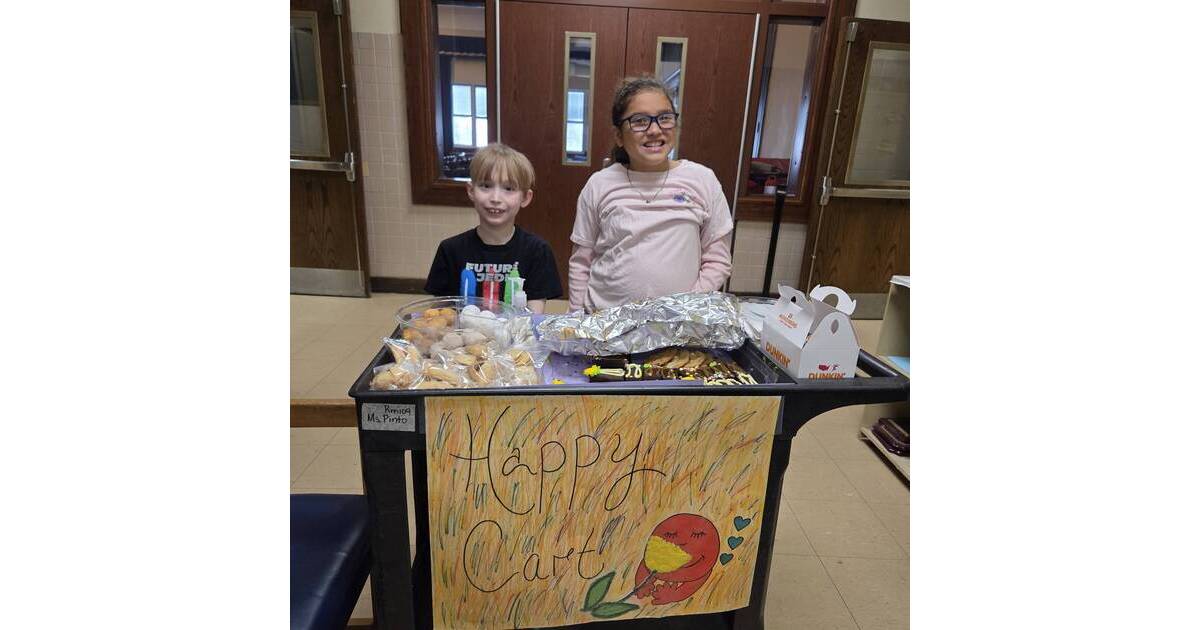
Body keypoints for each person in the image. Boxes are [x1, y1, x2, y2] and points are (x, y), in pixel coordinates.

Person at [568, 76, 734, 312]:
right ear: (618, 136)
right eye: (640, 121)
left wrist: (687, 307)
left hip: (676, 325)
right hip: (605, 322)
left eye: (664, 118)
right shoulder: (599, 184)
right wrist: (576, 318)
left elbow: (717, 260)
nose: (655, 130)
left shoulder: (702, 179)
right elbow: (581, 262)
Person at [424, 143, 562, 313]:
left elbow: (534, 316)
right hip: (465, 338)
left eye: (509, 188)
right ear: (471, 191)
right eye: (486, 186)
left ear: (525, 197)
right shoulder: (450, 250)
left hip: (515, 338)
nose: (496, 198)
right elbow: (441, 313)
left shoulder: (538, 251)